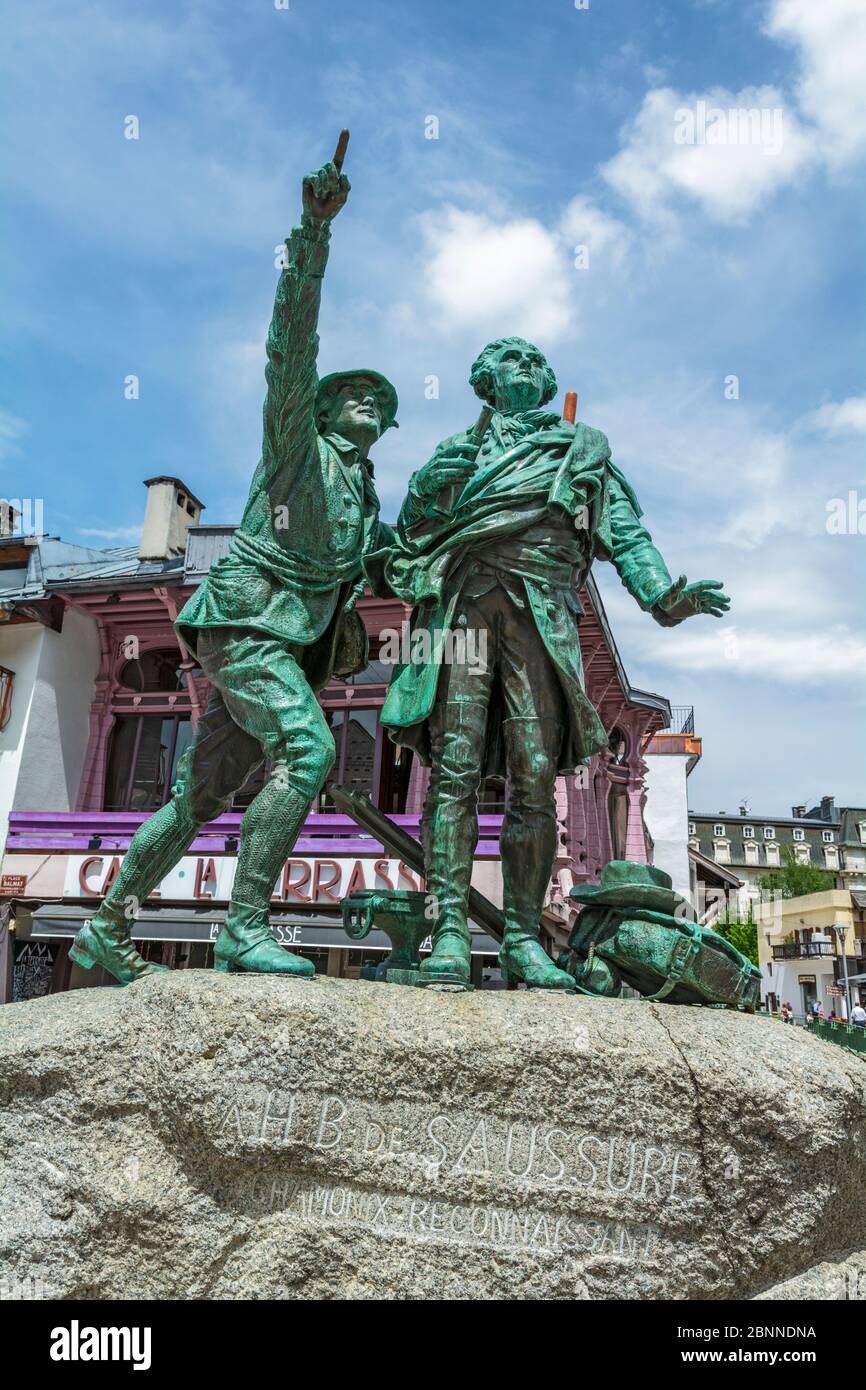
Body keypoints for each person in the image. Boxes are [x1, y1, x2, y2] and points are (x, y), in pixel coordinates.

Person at [71, 147, 398, 985]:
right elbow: (290, 344)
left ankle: (103, 929)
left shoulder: (361, 493)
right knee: (308, 752)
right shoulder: (298, 444)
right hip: (248, 619)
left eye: (385, 409)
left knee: (197, 797)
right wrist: (313, 237)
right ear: (324, 407)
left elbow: (386, 563)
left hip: (277, 642)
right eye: (361, 396)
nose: (375, 409)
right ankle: (242, 929)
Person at [368, 336, 729, 990]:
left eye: (535, 361)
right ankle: (449, 931)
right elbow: (412, 541)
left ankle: (522, 940)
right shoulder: (456, 453)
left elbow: (624, 531)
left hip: (543, 611)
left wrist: (662, 595)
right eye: (511, 361)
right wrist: (424, 488)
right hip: (462, 610)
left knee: (535, 776)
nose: (527, 369)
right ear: (487, 381)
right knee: (454, 768)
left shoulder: (579, 450)